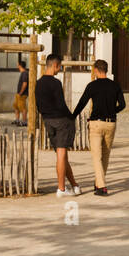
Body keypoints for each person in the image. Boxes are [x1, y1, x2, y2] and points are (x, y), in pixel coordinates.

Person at [72, 58, 126, 196]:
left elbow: (82, 102)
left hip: (96, 123)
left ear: (96, 70)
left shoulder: (92, 86)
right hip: (111, 123)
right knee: (105, 155)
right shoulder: (115, 85)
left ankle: (102, 187)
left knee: (96, 156)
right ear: (106, 70)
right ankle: (98, 182)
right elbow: (123, 105)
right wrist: (113, 111)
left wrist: (72, 116)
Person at [36, 54, 80, 198]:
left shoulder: (38, 82)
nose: (59, 69)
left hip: (47, 120)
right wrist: (71, 117)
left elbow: (38, 105)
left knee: (62, 156)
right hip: (60, 120)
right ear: (55, 65)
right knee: (61, 155)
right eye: (59, 66)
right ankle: (61, 189)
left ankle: (74, 185)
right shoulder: (55, 83)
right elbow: (61, 105)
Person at [13, 60, 29, 127]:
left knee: (23, 108)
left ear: (20, 65)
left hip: (22, 94)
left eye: (18, 64)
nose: (17, 66)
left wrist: (21, 93)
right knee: (16, 106)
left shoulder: (25, 73)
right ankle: (17, 120)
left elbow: (25, 83)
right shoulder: (22, 73)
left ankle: (24, 121)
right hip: (18, 93)